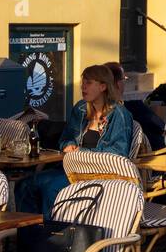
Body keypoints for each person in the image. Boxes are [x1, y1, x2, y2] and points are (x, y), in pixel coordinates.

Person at [16, 64, 133, 217]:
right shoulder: (81, 108)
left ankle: (52, 235)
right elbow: (66, 137)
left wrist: (83, 152)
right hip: (72, 168)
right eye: (83, 82)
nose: (83, 87)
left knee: (50, 188)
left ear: (103, 86)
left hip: (98, 173)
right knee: (24, 185)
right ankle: (29, 235)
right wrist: (68, 144)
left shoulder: (119, 114)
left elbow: (119, 153)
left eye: (89, 83)